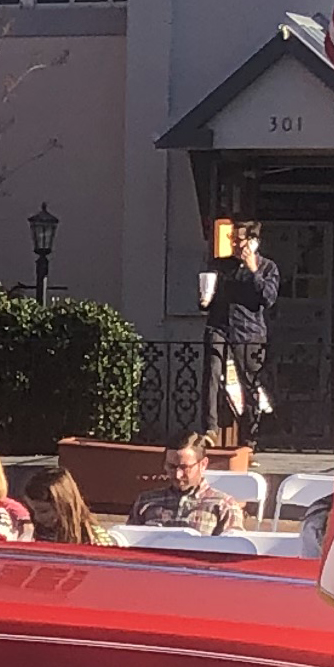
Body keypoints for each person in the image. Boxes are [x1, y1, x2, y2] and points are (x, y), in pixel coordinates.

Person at [203, 221, 279, 442]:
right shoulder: (219, 265)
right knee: (212, 373)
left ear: (254, 242)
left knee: (251, 382)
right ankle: (210, 429)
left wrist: (253, 269)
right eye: (232, 239)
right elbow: (209, 296)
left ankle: (250, 437)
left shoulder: (267, 267)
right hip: (219, 327)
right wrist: (204, 298)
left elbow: (268, 298)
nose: (235, 244)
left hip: (249, 333)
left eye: (240, 239)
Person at [128, 435, 247, 534]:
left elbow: (234, 550)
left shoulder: (224, 507)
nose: (177, 475)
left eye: (184, 468)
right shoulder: (145, 502)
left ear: (203, 464)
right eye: (171, 467)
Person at [19, 465, 105, 545]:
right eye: (31, 511)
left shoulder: (92, 537)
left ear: (64, 506)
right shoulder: (38, 531)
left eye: (43, 511)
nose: (36, 517)